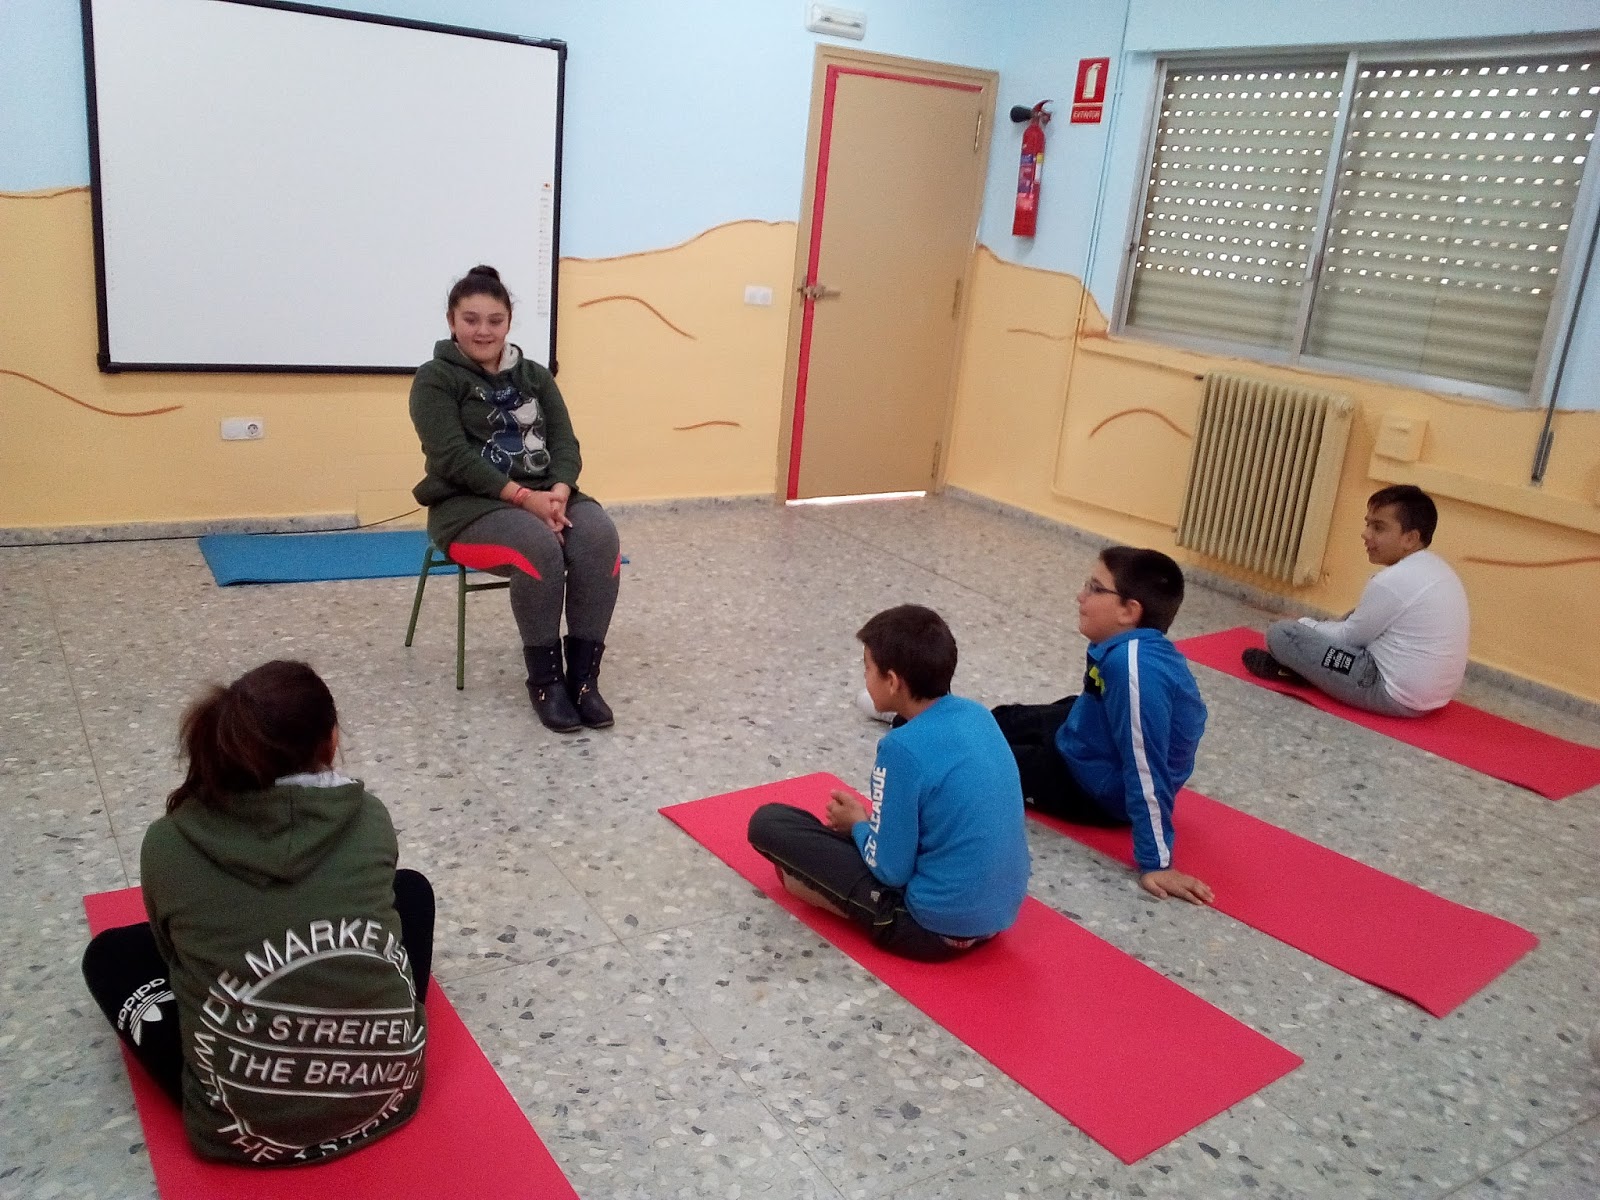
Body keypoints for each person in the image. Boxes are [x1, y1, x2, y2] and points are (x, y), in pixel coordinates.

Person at [81, 661, 433, 1167]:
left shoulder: (167, 842)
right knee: (411, 893)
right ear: (329, 742)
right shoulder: (370, 817)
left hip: (236, 1130)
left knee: (110, 955)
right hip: (389, 1097)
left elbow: (170, 956)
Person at [748, 605, 1031, 961]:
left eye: (867, 669)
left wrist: (858, 827)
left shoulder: (900, 749)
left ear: (893, 681)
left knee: (769, 824)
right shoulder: (977, 715)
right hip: (1000, 915)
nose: (864, 678)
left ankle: (842, 899)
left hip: (932, 928)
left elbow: (891, 870)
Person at [409, 265, 621, 732]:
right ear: (451, 321)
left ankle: (583, 681)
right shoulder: (434, 378)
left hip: (547, 497)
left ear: (508, 322)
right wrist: (524, 498)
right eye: (471, 319)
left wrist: (560, 491)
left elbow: (565, 442)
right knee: (538, 546)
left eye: (494, 320)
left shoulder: (535, 375)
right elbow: (452, 458)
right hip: (468, 508)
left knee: (600, 536)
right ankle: (545, 683)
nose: (483, 330)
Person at [991, 547, 1213, 905]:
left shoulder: (1134, 670)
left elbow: (1146, 766)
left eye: (1095, 589)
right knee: (1003, 718)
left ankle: (908, 717)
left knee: (981, 759)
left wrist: (1156, 862)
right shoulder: (1118, 644)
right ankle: (919, 712)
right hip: (1086, 730)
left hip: (1093, 788)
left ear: (1129, 611)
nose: (1081, 596)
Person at [1242, 485, 1469, 717]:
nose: (1366, 534)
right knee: (1355, 615)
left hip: (1391, 693)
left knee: (1283, 634)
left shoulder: (1392, 581)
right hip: (1434, 699)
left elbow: (1349, 637)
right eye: (1367, 524)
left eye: (1378, 528)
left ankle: (1299, 670)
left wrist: (1303, 623)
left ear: (1410, 538)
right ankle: (1307, 669)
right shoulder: (1437, 568)